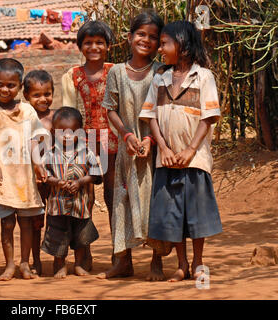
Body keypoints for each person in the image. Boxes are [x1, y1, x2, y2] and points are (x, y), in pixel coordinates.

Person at [139, 21, 223, 282]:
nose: (160, 48)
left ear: (183, 46)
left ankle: (198, 262)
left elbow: (208, 117)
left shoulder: (204, 77)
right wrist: (163, 148)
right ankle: (182, 264)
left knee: (196, 213)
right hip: (167, 158)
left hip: (194, 158)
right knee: (173, 213)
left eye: (165, 43)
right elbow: (150, 115)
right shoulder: (160, 78)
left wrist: (189, 150)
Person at [97, 11, 166, 280]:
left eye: (152, 37)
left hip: (155, 147)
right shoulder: (116, 71)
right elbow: (110, 109)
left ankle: (156, 261)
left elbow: (165, 109)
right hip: (127, 149)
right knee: (123, 202)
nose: (145, 40)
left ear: (159, 42)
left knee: (154, 203)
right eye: (140, 34)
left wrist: (149, 139)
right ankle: (123, 261)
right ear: (129, 37)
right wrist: (126, 135)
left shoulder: (161, 71)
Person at [0, 58, 48, 281]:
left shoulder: (27, 110)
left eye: (10, 85)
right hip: (3, 178)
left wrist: (38, 164)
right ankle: (9, 265)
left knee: (26, 224)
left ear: (20, 87)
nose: (4, 89)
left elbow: (35, 139)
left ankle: (24, 264)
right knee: (7, 224)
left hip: (25, 178)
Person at [61, 20, 116, 270]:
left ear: (108, 46)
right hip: (84, 143)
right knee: (85, 198)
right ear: (81, 46)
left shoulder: (117, 71)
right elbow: (69, 113)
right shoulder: (72, 76)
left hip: (113, 141)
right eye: (88, 43)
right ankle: (83, 254)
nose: (94, 47)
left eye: (99, 42)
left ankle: (120, 252)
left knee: (115, 196)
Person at [41, 107, 103, 279]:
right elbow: (44, 176)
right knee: (58, 235)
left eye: (72, 132)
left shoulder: (87, 152)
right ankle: (60, 264)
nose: (67, 136)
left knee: (81, 237)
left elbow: (97, 174)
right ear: (54, 131)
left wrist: (80, 182)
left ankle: (78, 264)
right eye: (62, 132)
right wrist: (58, 182)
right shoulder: (49, 154)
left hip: (80, 205)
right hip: (57, 205)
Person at [22, 70, 56, 276]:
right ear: (26, 96)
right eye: (37, 95)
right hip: (30, 178)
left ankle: (62, 259)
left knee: (58, 218)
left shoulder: (57, 116)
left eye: (48, 93)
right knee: (34, 223)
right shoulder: (23, 118)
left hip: (54, 178)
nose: (43, 99)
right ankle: (35, 260)